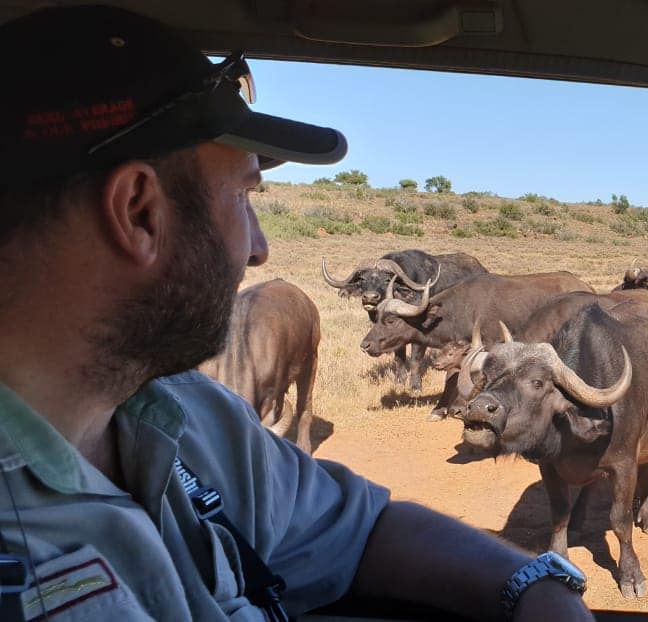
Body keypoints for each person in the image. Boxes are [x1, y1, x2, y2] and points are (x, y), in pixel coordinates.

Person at [0, 5, 593, 621]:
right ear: (140, 212)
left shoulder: (190, 417)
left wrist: (536, 585)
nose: (259, 248)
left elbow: (364, 531)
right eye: (243, 198)